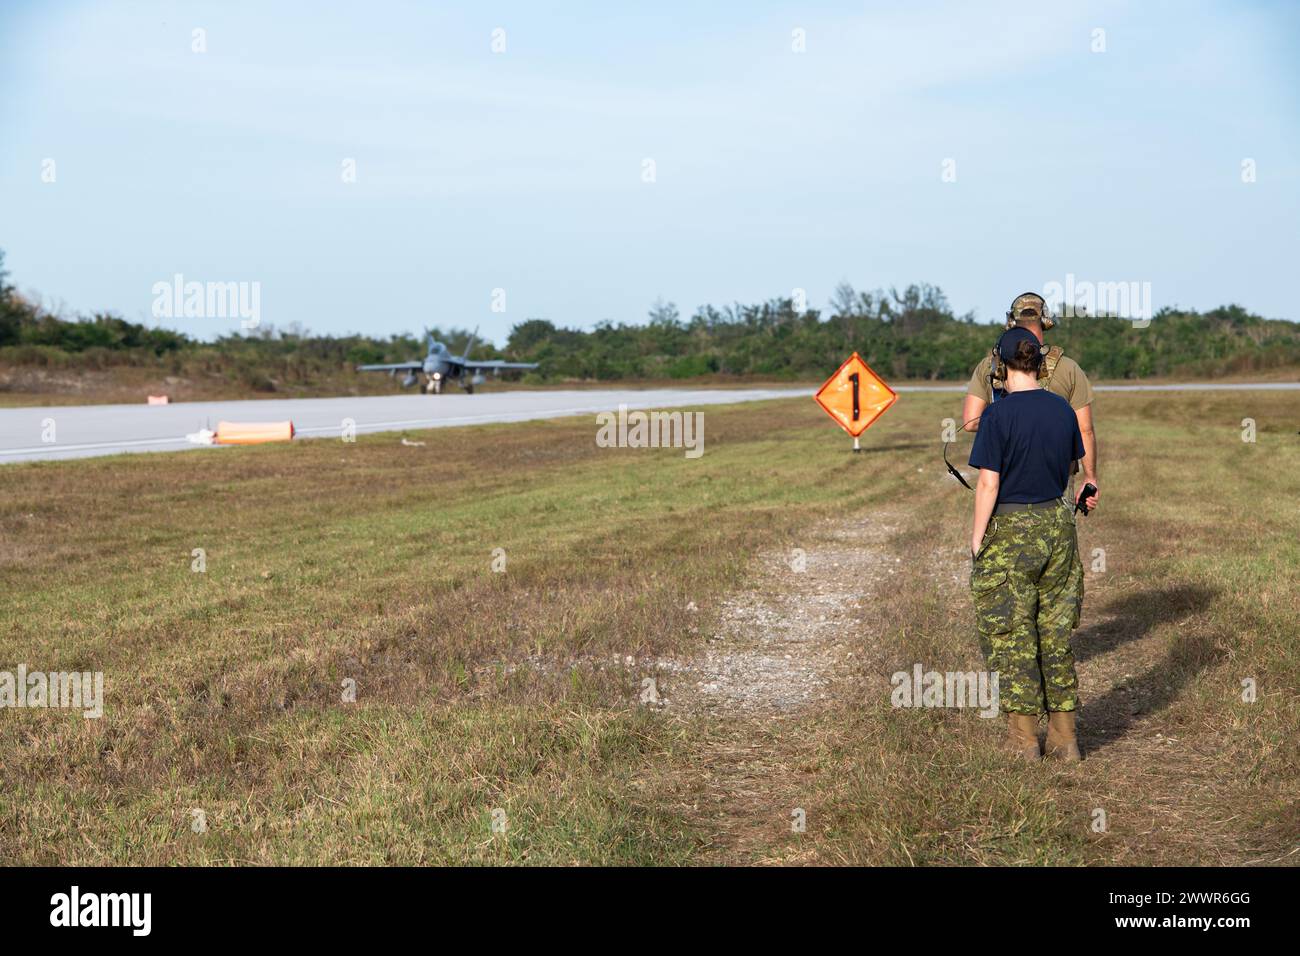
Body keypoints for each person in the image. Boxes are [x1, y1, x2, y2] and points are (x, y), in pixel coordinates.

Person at [968, 326, 1089, 762]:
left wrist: (978, 538)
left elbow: (988, 482)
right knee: (1055, 633)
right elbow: (1071, 467)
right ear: (1040, 362)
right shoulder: (1061, 409)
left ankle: (1023, 744)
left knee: (1013, 634)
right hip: (1058, 525)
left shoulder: (998, 416)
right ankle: (1065, 739)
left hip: (1012, 527)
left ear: (1000, 366)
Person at [963, 292, 1098, 514]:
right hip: (1056, 477)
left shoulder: (990, 366)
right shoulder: (1069, 368)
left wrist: (1006, 422)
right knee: (1056, 538)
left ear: (1011, 322)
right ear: (1045, 321)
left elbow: (969, 422)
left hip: (1004, 475)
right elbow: (1085, 431)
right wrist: (1090, 478)